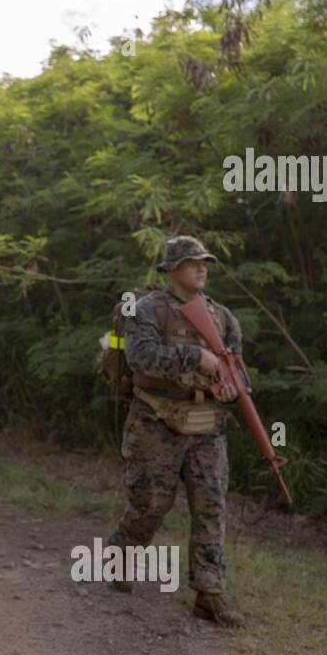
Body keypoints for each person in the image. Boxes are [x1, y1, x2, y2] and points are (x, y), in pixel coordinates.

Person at [104, 235, 246, 627]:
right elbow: (141, 358)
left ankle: (209, 593)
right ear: (172, 269)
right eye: (193, 262)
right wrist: (194, 356)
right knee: (149, 505)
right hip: (155, 423)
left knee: (211, 507)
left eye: (205, 262)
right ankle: (121, 556)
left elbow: (236, 369)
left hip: (206, 425)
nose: (202, 268)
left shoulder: (223, 317)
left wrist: (231, 389)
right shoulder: (147, 310)